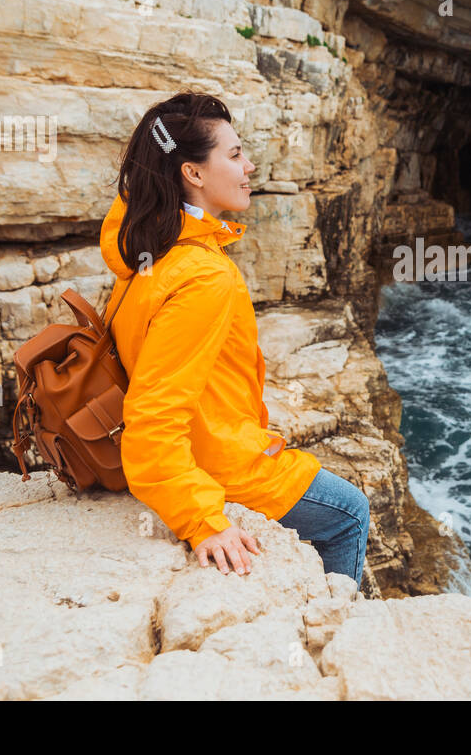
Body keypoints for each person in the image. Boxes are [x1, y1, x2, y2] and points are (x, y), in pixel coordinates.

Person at [99, 92, 370, 586]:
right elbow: (153, 416)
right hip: (212, 463)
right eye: (234, 154)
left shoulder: (145, 248)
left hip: (204, 440)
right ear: (193, 174)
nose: (249, 166)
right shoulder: (204, 276)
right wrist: (202, 521)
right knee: (350, 512)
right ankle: (338, 628)